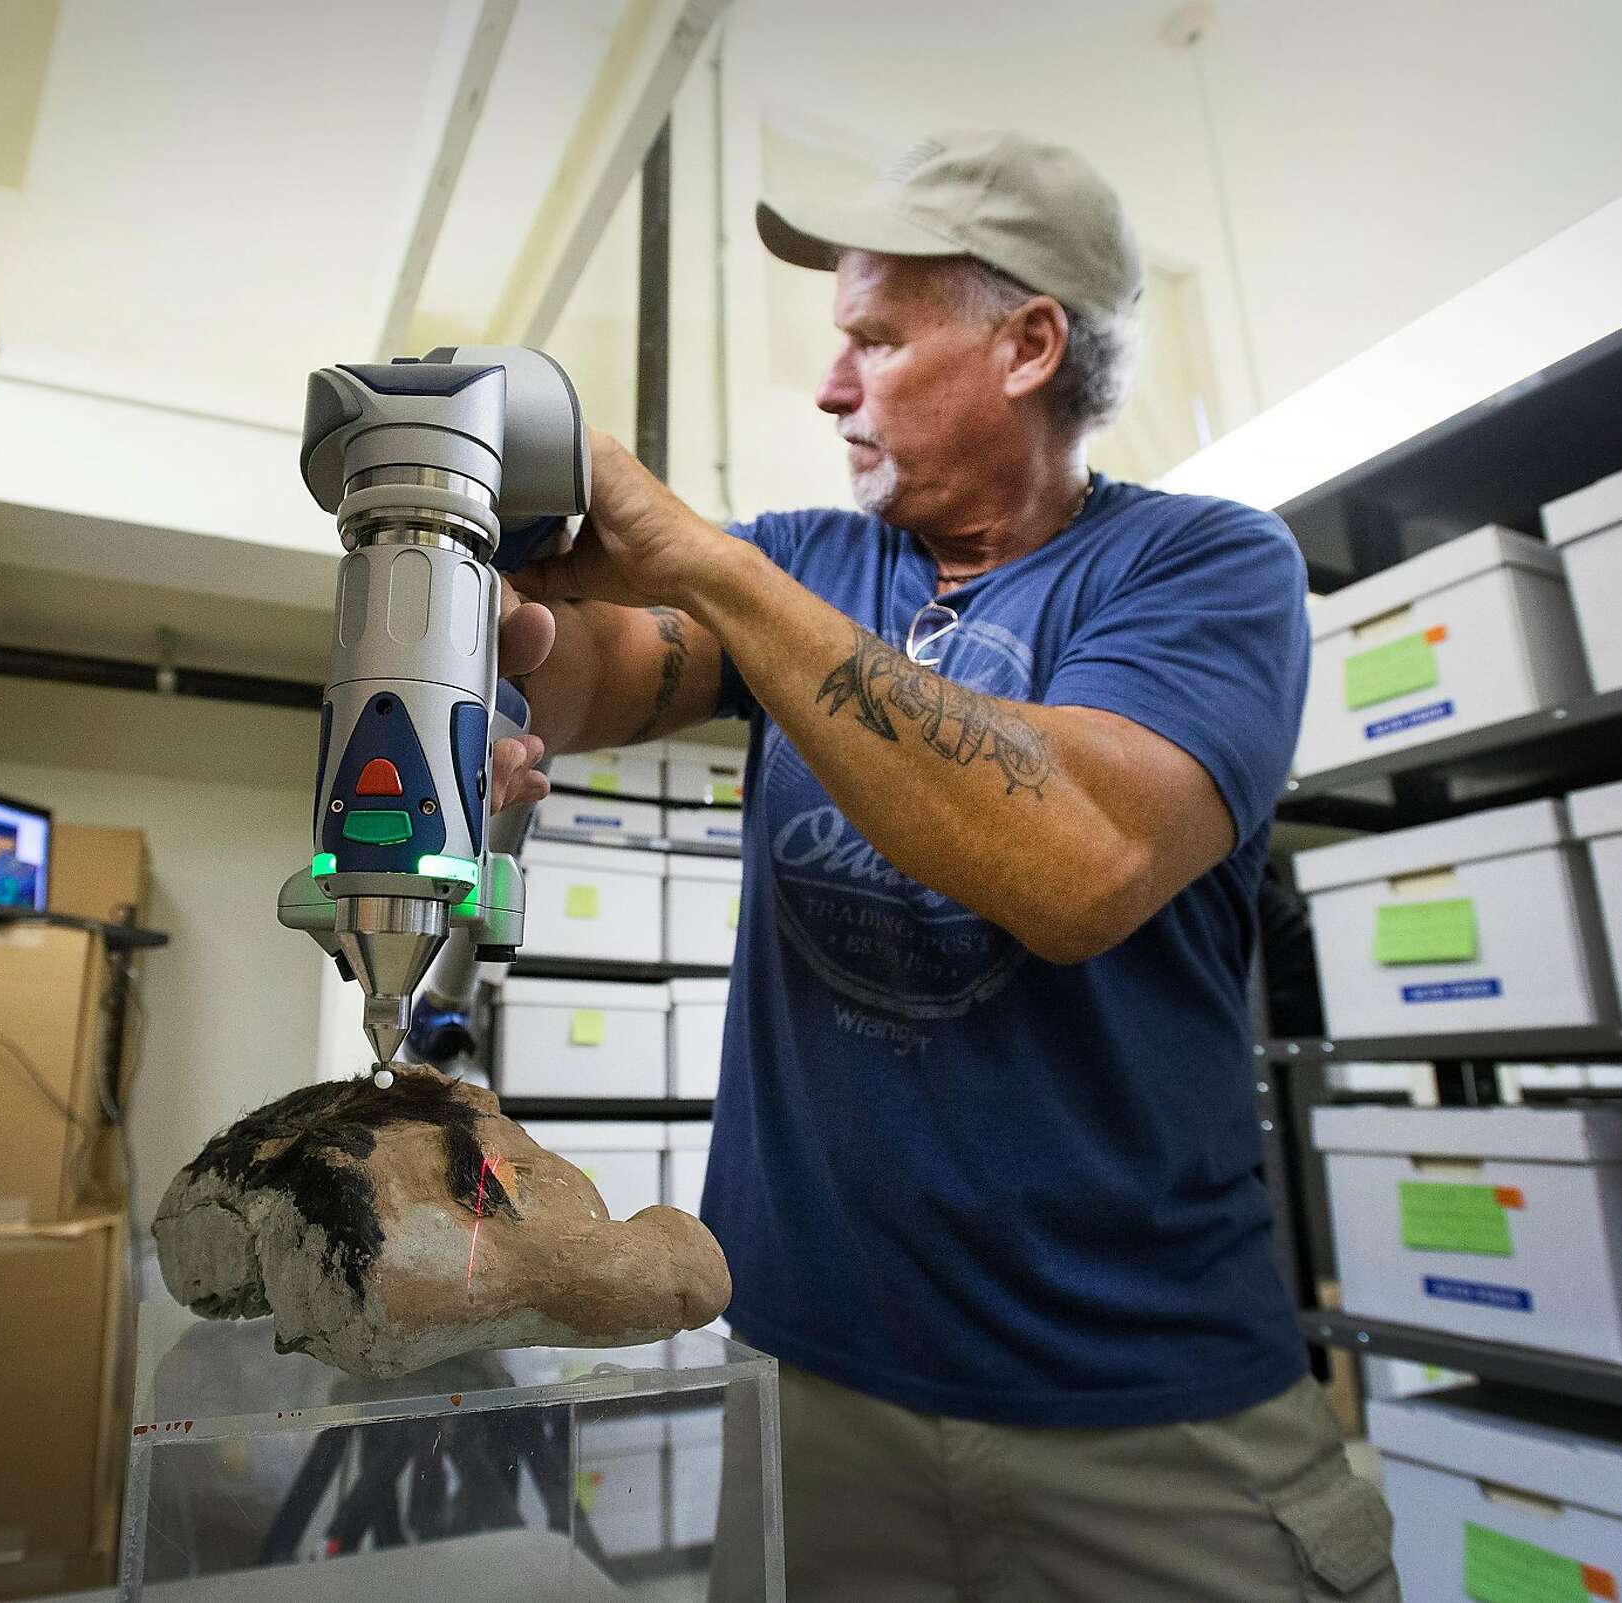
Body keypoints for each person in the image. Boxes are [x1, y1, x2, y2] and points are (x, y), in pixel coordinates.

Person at [487, 130, 1397, 1602]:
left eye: (877, 341)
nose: (834, 386)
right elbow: (600, 675)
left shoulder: (1205, 568)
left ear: (1030, 343)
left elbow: (1072, 864)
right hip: (813, 1390)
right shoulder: (811, 569)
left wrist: (703, 558)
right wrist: (490, 620)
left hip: (1146, 1421)